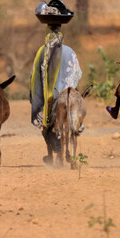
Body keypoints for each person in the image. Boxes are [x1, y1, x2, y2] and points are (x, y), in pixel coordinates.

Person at [30, 23, 82, 164]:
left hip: (50, 96)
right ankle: (65, 155)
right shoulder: (70, 51)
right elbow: (78, 73)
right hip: (67, 94)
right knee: (66, 125)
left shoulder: (42, 51)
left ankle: (52, 157)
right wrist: (69, 87)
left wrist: (37, 95)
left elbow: (33, 76)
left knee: (47, 124)